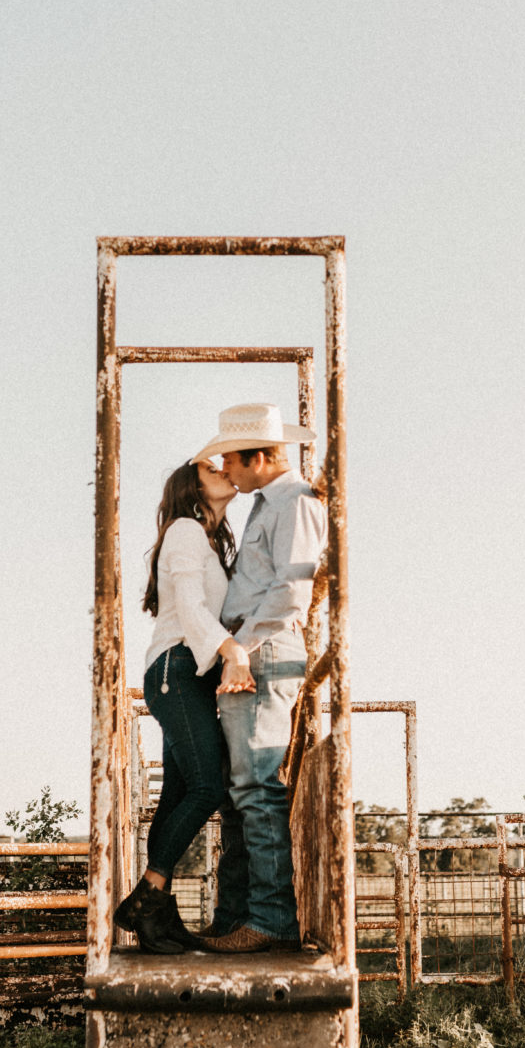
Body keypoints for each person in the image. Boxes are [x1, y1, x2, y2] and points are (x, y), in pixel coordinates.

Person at [188, 404, 327, 955]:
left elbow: (293, 592)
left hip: (262, 652)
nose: (224, 463)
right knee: (242, 788)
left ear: (260, 457)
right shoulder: (271, 504)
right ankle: (237, 915)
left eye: (230, 455)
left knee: (256, 786)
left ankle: (268, 920)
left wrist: (239, 649)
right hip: (253, 651)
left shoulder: (294, 503)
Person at [114, 459, 256, 953]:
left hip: (188, 676)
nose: (223, 469)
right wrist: (231, 650)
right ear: (192, 486)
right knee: (207, 785)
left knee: (178, 792)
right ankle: (149, 894)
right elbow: (193, 608)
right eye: (210, 467)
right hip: (176, 668)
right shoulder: (184, 530)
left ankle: (160, 915)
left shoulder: (209, 542)